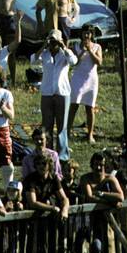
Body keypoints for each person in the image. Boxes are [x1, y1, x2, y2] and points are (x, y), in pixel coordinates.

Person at [34, 29, 77, 157]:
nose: (53, 44)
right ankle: (47, 153)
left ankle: (62, 155)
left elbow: (74, 61)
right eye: (51, 40)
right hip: (47, 93)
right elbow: (33, 60)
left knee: (62, 126)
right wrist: (43, 46)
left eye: (55, 41)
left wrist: (63, 46)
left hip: (62, 93)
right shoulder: (45, 54)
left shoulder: (65, 54)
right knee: (47, 125)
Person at [67, 25, 103, 145]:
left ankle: (90, 134)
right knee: (73, 106)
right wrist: (83, 50)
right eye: (84, 33)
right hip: (78, 79)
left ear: (92, 34)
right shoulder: (75, 46)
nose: (86, 35)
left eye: (89, 33)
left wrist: (90, 51)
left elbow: (99, 62)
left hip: (91, 80)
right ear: (81, 34)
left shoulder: (97, 47)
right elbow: (74, 62)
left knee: (90, 108)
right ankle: (67, 133)